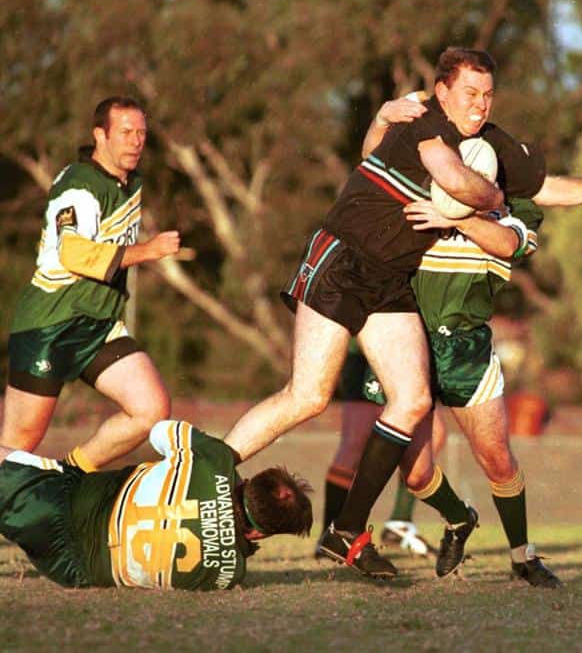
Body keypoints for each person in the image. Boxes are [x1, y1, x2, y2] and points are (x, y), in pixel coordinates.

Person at [317, 92, 582, 587]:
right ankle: (459, 519)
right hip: (405, 329)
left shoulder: (511, 206)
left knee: (497, 458)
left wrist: (458, 218)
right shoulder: (417, 183)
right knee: (413, 474)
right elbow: (368, 168)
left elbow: (510, 244)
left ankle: (522, 556)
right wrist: (382, 118)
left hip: (467, 345)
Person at [223, 48, 520, 580]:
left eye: (488, 94)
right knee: (308, 396)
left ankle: (345, 532)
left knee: (412, 400)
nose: (480, 105)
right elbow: (453, 180)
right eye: (470, 93)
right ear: (442, 92)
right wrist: (494, 195)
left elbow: (372, 155)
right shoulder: (429, 125)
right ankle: (209, 473)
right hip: (342, 259)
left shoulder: (443, 132)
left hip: (389, 277)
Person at [3, 96, 182, 471]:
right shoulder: (79, 187)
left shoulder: (131, 183)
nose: (135, 141)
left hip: (98, 326)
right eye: (126, 132)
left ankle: (69, 475)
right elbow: (74, 255)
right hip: (50, 324)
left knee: (150, 410)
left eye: (142, 134)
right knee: (16, 449)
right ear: (99, 136)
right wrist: (147, 250)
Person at [0, 419, 312, 590]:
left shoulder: (215, 461)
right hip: (74, 572)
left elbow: (158, 431)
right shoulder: (229, 576)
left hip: (63, 504)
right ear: (260, 535)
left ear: (249, 481)